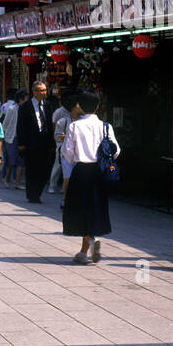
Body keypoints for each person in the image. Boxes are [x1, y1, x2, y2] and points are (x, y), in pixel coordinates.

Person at [63, 90, 119, 264]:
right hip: (99, 171)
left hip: (81, 171)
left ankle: (86, 247)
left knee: (80, 210)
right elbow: (115, 151)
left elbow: (68, 153)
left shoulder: (74, 126)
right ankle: (86, 247)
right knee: (95, 208)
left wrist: (76, 159)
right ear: (97, 106)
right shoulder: (105, 126)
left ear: (80, 106)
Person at [17, 81, 55, 204]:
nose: (44, 93)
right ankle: (32, 195)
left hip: (45, 142)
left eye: (45, 90)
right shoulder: (25, 106)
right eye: (41, 90)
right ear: (34, 92)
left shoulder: (48, 105)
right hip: (31, 142)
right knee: (32, 169)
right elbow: (21, 125)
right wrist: (21, 143)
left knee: (44, 170)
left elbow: (50, 123)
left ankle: (38, 191)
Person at [47, 89, 75, 195]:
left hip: (70, 143)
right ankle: (52, 185)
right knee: (58, 164)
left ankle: (65, 186)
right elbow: (55, 130)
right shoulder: (59, 113)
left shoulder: (74, 116)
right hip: (61, 144)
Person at [1, 89, 27, 189]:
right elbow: (5, 124)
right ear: (20, 99)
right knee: (11, 160)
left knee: (21, 161)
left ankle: (17, 182)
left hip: (21, 138)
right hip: (11, 137)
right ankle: (7, 178)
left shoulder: (26, 109)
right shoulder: (12, 109)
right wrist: (2, 137)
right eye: (25, 98)